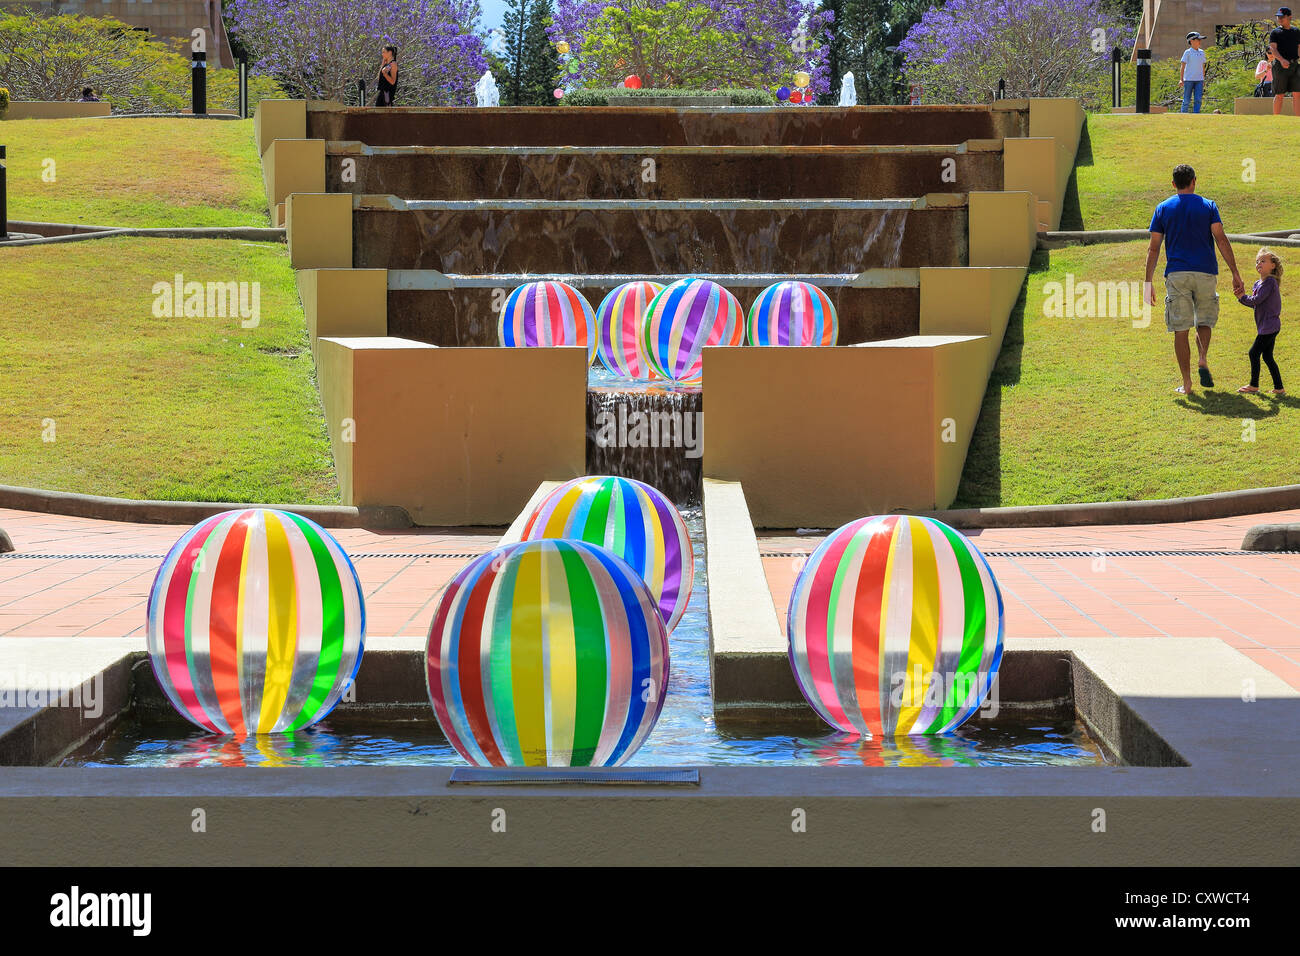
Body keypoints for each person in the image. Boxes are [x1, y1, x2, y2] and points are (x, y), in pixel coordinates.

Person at [1144, 164, 1246, 395]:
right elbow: (1220, 239)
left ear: (1173, 184)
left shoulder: (1162, 208)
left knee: (1181, 329)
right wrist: (1235, 272)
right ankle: (1202, 358)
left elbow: (1153, 248)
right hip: (1206, 271)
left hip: (1177, 274)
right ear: (1194, 181)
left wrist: (1147, 282)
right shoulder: (1208, 206)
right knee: (1205, 321)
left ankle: (1187, 383)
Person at [1236, 249, 1285, 395]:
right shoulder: (1258, 283)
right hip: (1267, 326)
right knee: (1267, 356)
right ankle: (1279, 388)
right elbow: (1256, 303)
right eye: (1257, 261)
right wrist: (1242, 297)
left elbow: (1256, 300)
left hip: (1269, 326)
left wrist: (1242, 297)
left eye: (1263, 261)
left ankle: (1254, 385)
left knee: (1253, 353)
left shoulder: (1270, 282)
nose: (1259, 263)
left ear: (1273, 265)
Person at [1270, 7, 1300, 116]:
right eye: (1278, 17)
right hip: (1280, 66)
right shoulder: (1275, 32)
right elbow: (1273, 49)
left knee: (1297, 93)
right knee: (1280, 94)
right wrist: (1282, 60)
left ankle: (1298, 120)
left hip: (1294, 65)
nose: (1279, 19)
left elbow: (1299, 47)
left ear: (1289, 17)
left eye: (1282, 17)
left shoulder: (1296, 31)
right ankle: (1276, 119)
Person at [1180, 32, 1207, 113]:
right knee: (1186, 100)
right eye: (1198, 39)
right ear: (1191, 41)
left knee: (1198, 99)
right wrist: (1181, 79)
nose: (1200, 41)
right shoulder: (1187, 52)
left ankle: (1196, 114)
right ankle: (1183, 115)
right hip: (1188, 79)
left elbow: (1203, 67)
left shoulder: (1202, 52)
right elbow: (1182, 66)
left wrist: (1203, 79)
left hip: (1199, 80)